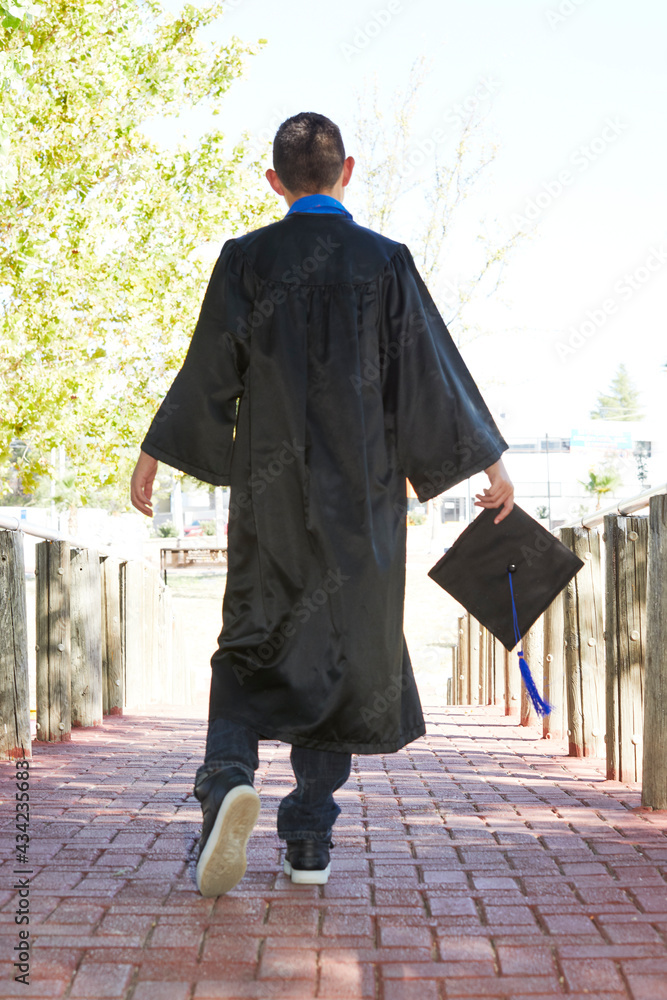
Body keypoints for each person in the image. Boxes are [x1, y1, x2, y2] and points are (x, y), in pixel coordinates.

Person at [131, 112, 514, 898]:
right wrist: (486, 458)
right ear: (347, 172)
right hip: (362, 513)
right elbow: (428, 374)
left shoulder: (247, 260)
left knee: (249, 642)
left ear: (273, 181)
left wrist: (156, 452)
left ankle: (228, 780)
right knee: (340, 659)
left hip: (270, 506)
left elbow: (211, 369)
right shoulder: (385, 262)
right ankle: (307, 838)